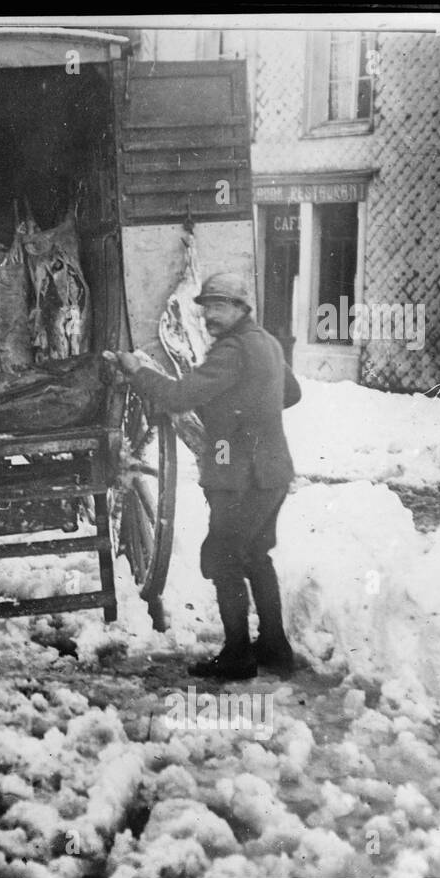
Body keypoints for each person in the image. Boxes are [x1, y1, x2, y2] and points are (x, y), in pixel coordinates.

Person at [105, 272, 302, 680]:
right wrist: (248, 408)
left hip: (239, 478)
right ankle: (275, 648)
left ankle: (237, 656)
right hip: (272, 472)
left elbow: (178, 396)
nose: (209, 314)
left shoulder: (231, 351)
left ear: (240, 308)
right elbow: (292, 393)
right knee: (256, 556)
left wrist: (136, 370)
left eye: (219, 306)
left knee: (223, 558)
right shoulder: (266, 342)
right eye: (206, 306)